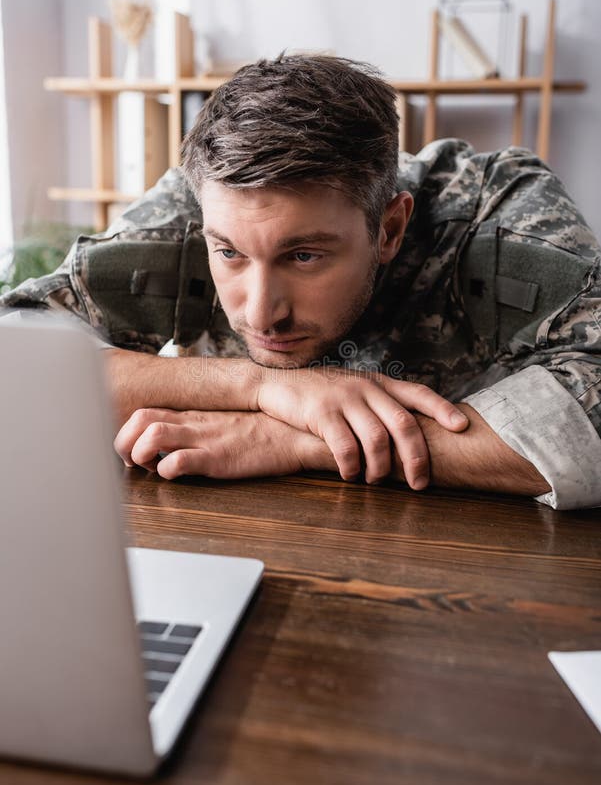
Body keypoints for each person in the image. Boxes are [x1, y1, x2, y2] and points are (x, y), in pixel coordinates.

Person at [2, 54, 601, 509]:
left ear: (390, 228)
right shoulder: (202, 199)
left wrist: (294, 440)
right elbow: (15, 357)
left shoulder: (497, 208)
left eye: (305, 257)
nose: (261, 314)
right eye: (230, 254)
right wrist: (258, 388)